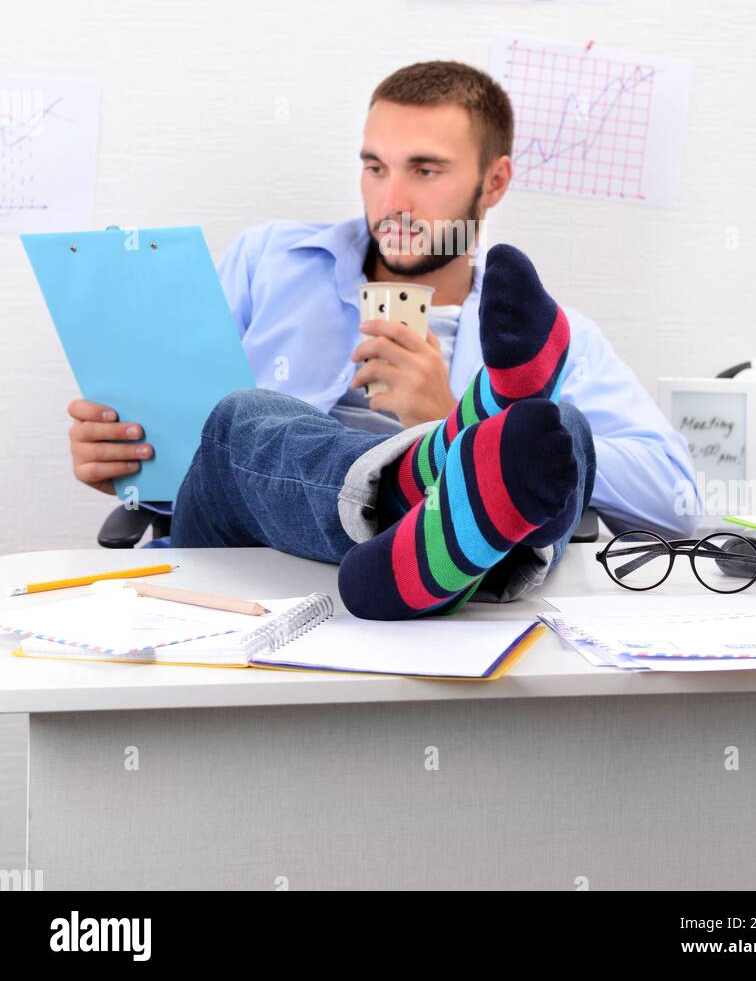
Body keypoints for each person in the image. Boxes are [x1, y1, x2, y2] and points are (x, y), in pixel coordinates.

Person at [66, 60, 701, 618]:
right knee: (243, 420)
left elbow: (679, 501)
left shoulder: (531, 332)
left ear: (496, 181)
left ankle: (448, 491)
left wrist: (444, 410)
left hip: (466, 581)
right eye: (375, 168)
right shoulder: (270, 260)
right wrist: (128, 460)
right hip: (242, 558)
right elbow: (186, 455)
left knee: (556, 424)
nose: (391, 200)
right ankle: (438, 473)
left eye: (425, 170)